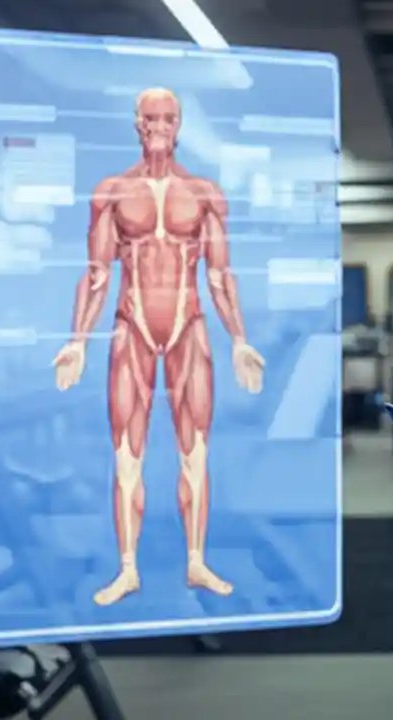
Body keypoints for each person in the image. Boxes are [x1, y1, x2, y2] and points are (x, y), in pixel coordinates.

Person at [54, 87, 266, 607]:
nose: (158, 126)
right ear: (136, 123)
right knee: (128, 456)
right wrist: (77, 341)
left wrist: (240, 339)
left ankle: (196, 562)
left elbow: (219, 275)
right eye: (150, 117)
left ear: (179, 124)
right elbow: (97, 273)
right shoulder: (112, 192)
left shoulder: (204, 193)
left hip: (188, 325)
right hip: (132, 325)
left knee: (195, 453)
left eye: (168, 118)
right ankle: (128, 569)